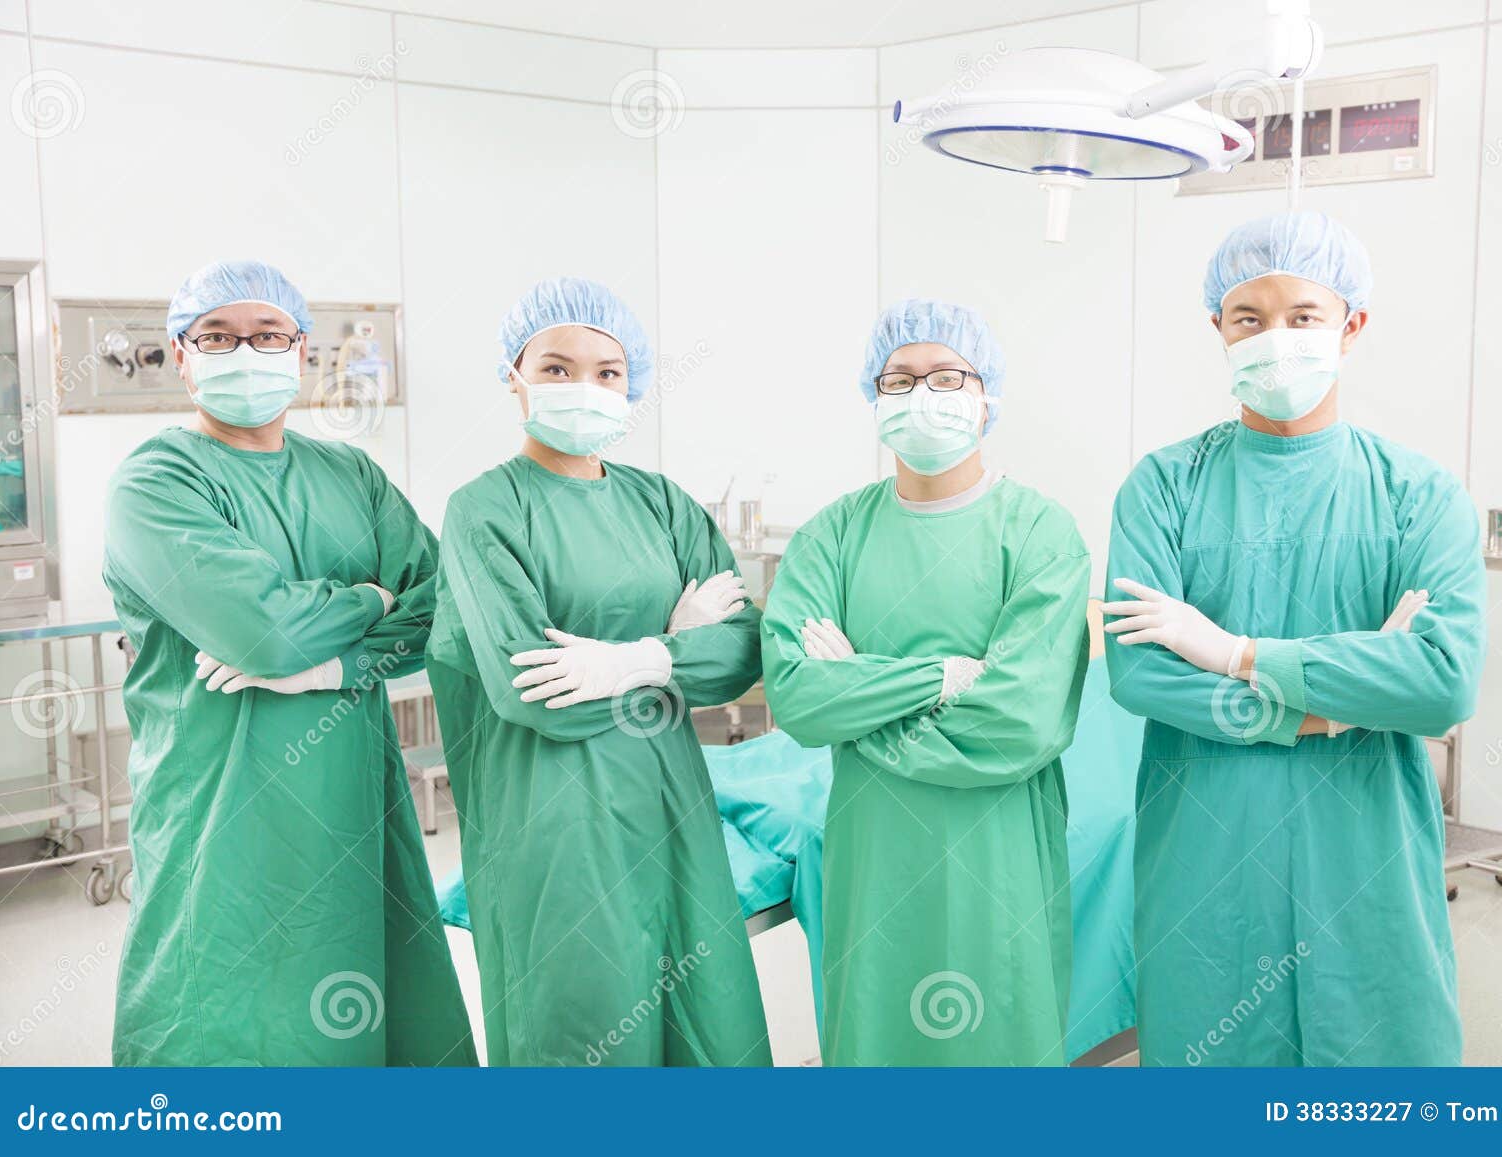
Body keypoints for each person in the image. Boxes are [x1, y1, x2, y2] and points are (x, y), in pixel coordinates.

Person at [1101, 211, 1486, 1066]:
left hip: (1367, 851)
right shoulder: (1163, 488)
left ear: (1352, 325)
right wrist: (1333, 708)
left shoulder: (1418, 495)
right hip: (1210, 856)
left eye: (1303, 315)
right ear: (1217, 330)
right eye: (1249, 317)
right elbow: (1140, 675)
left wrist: (1241, 653)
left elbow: (1442, 681)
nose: (1275, 337)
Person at [103, 260, 475, 1066]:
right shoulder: (155, 482)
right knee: (222, 1024)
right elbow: (263, 633)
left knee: (368, 1011)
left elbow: (444, 602)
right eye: (218, 336)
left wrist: (338, 665)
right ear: (179, 354)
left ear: (303, 350)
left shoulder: (351, 474)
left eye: (268, 335)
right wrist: (372, 599)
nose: (246, 351)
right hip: (221, 810)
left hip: (350, 797)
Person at [425, 277, 771, 1067]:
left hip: (671, 801)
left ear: (633, 383)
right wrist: (677, 648)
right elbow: (537, 692)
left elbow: (743, 654)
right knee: (583, 1027)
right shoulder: (485, 509)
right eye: (556, 368)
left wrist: (633, 657)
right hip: (554, 818)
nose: (585, 387)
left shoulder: (664, 504)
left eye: (607, 371)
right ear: (513, 376)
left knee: (706, 1019)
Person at [760, 299, 1092, 1066]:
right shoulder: (832, 536)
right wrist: (939, 677)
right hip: (875, 852)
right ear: (872, 394)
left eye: (947, 376)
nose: (922, 395)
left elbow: (1018, 721)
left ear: (988, 396)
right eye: (900, 378)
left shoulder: (1040, 534)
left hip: (998, 853)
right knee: (877, 1043)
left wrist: (861, 691)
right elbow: (800, 698)